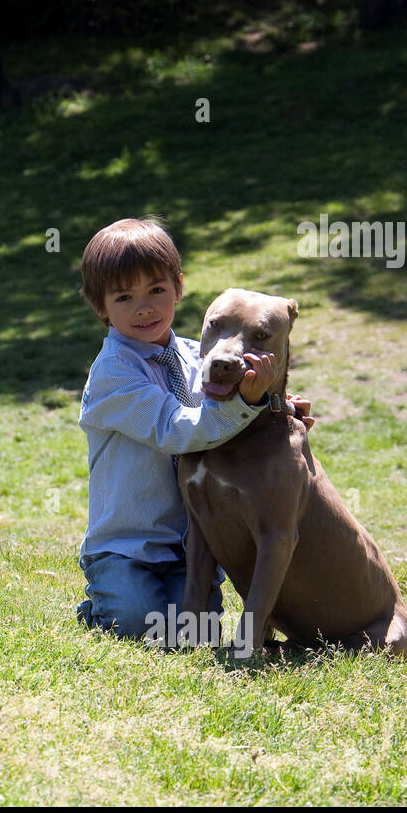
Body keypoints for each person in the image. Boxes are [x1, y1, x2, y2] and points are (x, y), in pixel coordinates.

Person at [76, 217, 311, 642]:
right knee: (137, 625)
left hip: (191, 544)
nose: (144, 307)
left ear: (179, 288)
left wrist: (275, 410)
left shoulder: (193, 355)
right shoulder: (113, 374)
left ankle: (150, 604)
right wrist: (246, 404)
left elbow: (229, 416)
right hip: (127, 545)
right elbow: (177, 428)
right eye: (124, 297)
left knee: (194, 635)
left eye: (157, 291)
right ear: (99, 306)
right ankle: (99, 608)